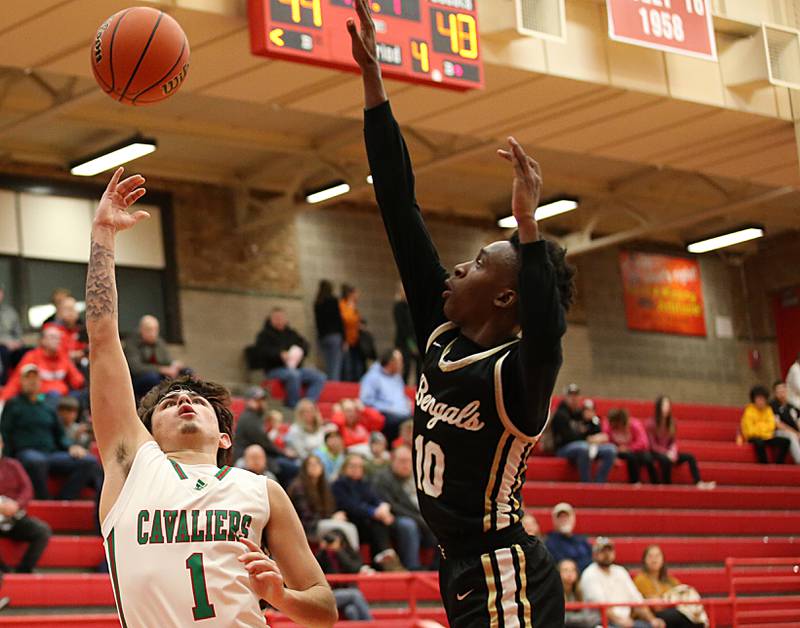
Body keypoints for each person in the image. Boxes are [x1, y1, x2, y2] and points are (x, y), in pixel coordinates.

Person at [349, 1, 575, 622]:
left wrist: (527, 227)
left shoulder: (517, 375)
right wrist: (373, 84)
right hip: (459, 567)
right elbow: (399, 206)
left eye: (476, 264)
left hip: (504, 570)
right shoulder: (442, 331)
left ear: (506, 297)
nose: (456, 268)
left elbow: (548, 332)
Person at [85, 168, 336, 626]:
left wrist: (280, 596)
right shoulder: (133, 466)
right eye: (168, 403)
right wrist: (103, 236)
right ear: (149, 433)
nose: (184, 400)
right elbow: (103, 340)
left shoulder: (263, 491)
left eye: (198, 402)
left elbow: (324, 611)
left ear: (224, 437)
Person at [1, 364, 101, 501]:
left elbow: (60, 434)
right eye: (28, 378)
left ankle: (65, 499)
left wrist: (71, 446)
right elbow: (5, 432)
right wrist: (6, 459)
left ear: (40, 381)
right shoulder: (13, 405)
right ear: (21, 381)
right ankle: (43, 499)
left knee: (88, 461)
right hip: (26, 453)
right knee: (36, 461)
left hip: (51, 453)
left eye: (35, 378)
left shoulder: (47, 407)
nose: (32, 381)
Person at [331, 453, 403, 570]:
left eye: (359, 466)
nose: (356, 469)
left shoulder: (364, 483)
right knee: (376, 522)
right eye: (353, 466)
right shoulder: (339, 484)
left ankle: (383, 558)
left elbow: (375, 499)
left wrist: (384, 508)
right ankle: (384, 555)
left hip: (367, 521)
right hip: (350, 521)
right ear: (344, 468)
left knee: (380, 523)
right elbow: (351, 506)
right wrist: (374, 512)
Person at [372, 445, 436, 570]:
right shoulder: (383, 478)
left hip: (421, 517)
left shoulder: (419, 477)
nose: (406, 465)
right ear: (392, 461)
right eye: (402, 461)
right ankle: (413, 566)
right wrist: (420, 519)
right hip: (394, 518)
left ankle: (437, 567)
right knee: (408, 525)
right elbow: (392, 505)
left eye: (409, 461)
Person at [580, 537, 666, 628]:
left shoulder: (620, 571)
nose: (607, 554)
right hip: (600, 622)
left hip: (625, 621)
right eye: (602, 551)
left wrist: (652, 620)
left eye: (609, 551)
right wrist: (621, 621)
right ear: (595, 554)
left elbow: (637, 601)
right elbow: (602, 607)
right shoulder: (590, 574)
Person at [251, 308, 327, 408]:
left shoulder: (292, 333)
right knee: (294, 375)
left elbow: (305, 345)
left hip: (296, 368)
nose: (279, 320)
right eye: (276, 318)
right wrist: (279, 354)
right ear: (271, 319)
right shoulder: (264, 335)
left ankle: (308, 404)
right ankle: (294, 406)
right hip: (274, 369)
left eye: (281, 318)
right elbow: (261, 352)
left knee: (319, 376)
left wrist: (299, 352)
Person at [0, 435, 52, 573]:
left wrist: (16, 505)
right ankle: (3, 571)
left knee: (42, 530)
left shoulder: (13, 465)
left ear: (2, 445)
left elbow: (27, 489)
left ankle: (24, 570)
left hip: (14, 516)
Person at [287, 454, 359, 550]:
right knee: (348, 528)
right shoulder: (299, 487)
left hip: (320, 523)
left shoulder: (324, 486)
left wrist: (334, 516)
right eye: (310, 464)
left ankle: (349, 558)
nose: (314, 467)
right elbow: (307, 516)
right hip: (307, 527)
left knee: (348, 527)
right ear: (304, 468)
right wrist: (331, 518)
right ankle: (354, 557)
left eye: (317, 464)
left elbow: (329, 509)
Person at [232, 386, 299, 486]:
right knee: (293, 468)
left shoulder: (254, 417)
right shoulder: (250, 419)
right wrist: (284, 453)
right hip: (248, 458)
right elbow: (264, 443)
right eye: (258, 400)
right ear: (248, 401)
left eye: (263, 400)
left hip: (260, 455)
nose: (262, 403)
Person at [1, 327, 85, 402]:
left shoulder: (63, 356)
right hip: (40, 398)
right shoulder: (32, 356)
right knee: (54, 396)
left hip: (62, 397)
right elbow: (16, 381)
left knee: (83, 395)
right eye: (53, 337)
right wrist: (3, 399)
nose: (57, 341)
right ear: (43, 340)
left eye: (59, 338)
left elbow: (77, 380)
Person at [648, 396, 716, 488]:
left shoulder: (672, 422)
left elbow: (673, 442)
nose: (666, 408)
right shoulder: (651, 423)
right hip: (657, 453)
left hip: (669, 453)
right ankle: (667, 485)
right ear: (658, 407)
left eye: (668, 406)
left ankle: (698, 482)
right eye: (664, 405)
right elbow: (653, 446)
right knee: (665, 460)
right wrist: (666, 453)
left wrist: (673, 452)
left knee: (690, 457)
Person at [633, 545, 707, 628]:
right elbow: (656, 607)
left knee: (696, 620)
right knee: (678, 616)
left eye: (657, 556)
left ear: (663, 559)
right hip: (651, 615)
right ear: (644, 560)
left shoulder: (671, 581)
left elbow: (681, 596)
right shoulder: (640, 579)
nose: (654, 559)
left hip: (672, 613)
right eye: (650, 556)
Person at [553, 390, 618, 483]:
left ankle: (599, 483)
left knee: (611, 450)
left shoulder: (591, 419)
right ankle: (587, 484)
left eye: (576, 396)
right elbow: (568, 437)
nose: (574, 399)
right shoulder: (564, 415)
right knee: (583, 448)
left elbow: (598, 434)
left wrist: (595, 430)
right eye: (571, 396)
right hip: (567, 447)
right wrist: (587, 439)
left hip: (591, 446)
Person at [123, 315, 188, 401]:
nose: (153, 333)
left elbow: (167, 361)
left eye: (155, 329)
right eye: (149, 330)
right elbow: (136, 368)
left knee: (186, 371)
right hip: (140, 379)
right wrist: (161, 369)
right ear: (141, 330)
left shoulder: (159, 342)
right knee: (153, 378)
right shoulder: (132, 344)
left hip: (159, 375)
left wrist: (175, 364)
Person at [315, 529, 374, 621]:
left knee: (351, 611)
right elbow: (315, 571)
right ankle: (372, 625)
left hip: (347, 590)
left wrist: (339, 551)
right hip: (329, 594)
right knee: (355, 594)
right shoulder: (322, 556)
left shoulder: (350, 554)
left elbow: (353, 569)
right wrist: (322, 550)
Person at [359, 349, 412, 442]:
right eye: (400, 362)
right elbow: (366, 400)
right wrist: (388, 408)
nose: (402, 365)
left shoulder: (397, 377)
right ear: (391, 363)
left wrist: (406, 401)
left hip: (403, 413)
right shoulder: (373, 377)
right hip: (386, 415)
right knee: (402, 422)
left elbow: (400, 395)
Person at [605, 409, 659, 484]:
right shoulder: (610, 427)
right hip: (618, 451)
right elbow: (607, 441)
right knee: (631, 457)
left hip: (636, 450)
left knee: (648, 459)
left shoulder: (635, 425)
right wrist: (613, 455)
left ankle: (656, 484)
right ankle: (635, 483)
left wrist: (628, 448)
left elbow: (644, 442)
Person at [741, 385, 790, 464]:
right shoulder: (749, 410)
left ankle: (779, 463)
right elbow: (750, 430)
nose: (761, 401)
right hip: (755, 437)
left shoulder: (768, 410)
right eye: (758, 399)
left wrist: (760, 428)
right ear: (754, 399)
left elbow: (771, 426)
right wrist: (763, 429)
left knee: (786, 441)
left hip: (767, 436)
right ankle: (764, 464)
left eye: (763, 399)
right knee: (759, 442)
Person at [545, 503, 593, 573]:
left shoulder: (582, 541)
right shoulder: (550, 543)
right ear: (555, 521)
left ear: (573, 518)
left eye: (566, 517)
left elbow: (590, 559)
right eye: (560, 517)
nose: (564, 520)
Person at [314, 280, 346, 381]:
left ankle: (329, 383)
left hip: (322, 337)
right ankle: (334, 384)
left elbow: (318, 323)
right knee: (335, 364)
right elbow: (339, 320)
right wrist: (344, 338)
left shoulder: (317, 302)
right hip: (334, 335)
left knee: (328, 364)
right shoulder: (333, 301)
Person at [43, 296, 87, 365]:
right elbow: (48, 352)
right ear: (59, 311)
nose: (71, 312)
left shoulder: (83, 328)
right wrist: (71, 355)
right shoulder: (51, 329)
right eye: (67, 309)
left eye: (73, 308)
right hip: (57, 366)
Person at [560, 558, 602, 628]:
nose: (569, 573)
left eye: (573, 570)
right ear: (558, 573)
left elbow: (589, 615)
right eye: (565, 570)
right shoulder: (555, 593)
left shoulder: (581, 590)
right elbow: (561, 618)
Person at [394, 283, 420, 384]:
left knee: (419, 365)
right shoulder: (399, 306)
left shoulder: (414, 306)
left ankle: (419, 386)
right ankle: (403, 385)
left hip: (415, 340)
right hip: (404, 341)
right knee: (406, 366)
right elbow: (402, 327)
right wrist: (411, 344)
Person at [0, 286, 26, 383]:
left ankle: (22, 383)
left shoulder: (10, 312)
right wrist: (4, 343)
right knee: (3, 352)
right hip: (2, 346)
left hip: (13, 344)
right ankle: (3, 384)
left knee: (27, 352)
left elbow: (18, 332)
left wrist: (18, 342)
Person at [770, 381, 800, 464]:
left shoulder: (792, 407)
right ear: (775, 393)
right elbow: (778, 424)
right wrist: (796, 433)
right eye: (779, 391)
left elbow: (798, 421)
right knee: (791, 436)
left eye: (783, 390)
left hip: (795, 432)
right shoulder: (772, 406)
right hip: (777, 432)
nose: (781, 393)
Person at [339, 284, 363, 382]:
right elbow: (345, 321)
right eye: (356, 293)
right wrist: (344, 340)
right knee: (347, 368)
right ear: (350, 294)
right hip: (346, 341)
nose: (358, 295)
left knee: (357, 367)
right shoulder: (342, 305)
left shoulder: (354, 307)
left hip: (355, 340)